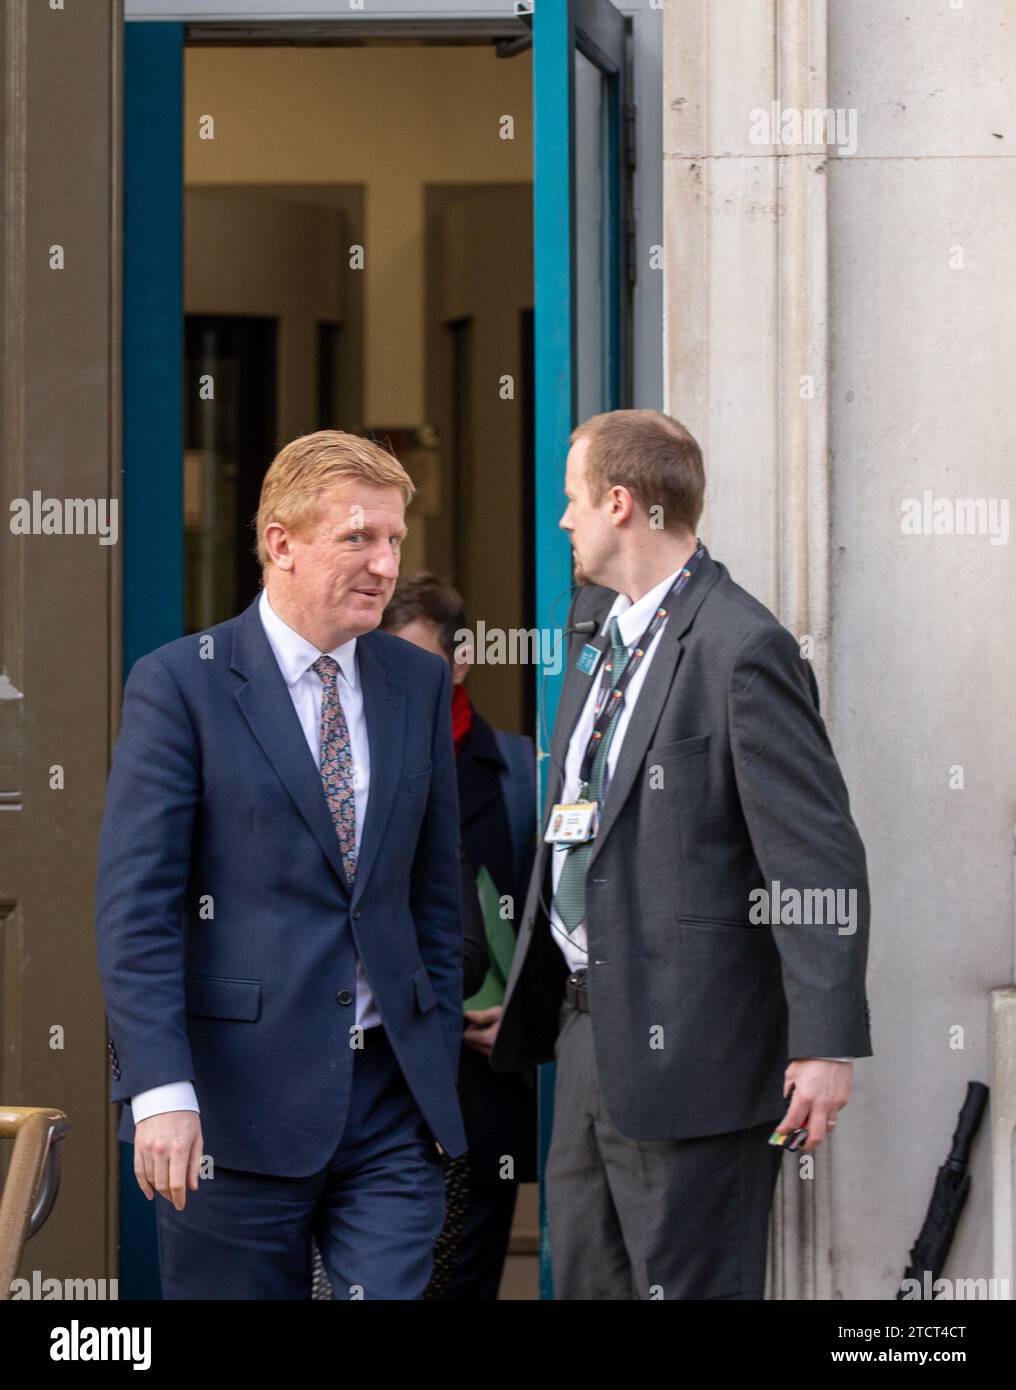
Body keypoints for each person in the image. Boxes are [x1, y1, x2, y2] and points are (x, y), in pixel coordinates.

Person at [489, 409, 872, 1300]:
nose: (563, 522)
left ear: (620, 503)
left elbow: (816, 859)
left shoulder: (743, 648)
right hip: (585, 1040)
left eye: (572, 501)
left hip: (700, 1053)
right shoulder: (597, 632)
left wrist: (824, 1043)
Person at [96, 430, 468, 1300]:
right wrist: (159, 1090)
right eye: (358, 537)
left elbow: (435, 899)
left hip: (391, 1103)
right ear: (280, 544)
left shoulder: (415, 683)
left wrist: (432, 1047)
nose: (384, 562)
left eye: (395, 540)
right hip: (234, 1106)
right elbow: (136, 910)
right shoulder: (180, 684)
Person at [382, 573, 539, 1300]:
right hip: (384, 1074)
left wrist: (528, 1018)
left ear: (463, 660)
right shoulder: (354, 769)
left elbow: (565, 914)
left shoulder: (517, 776)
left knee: (465, 1278)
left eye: (422, 663)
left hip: (486, 1080)